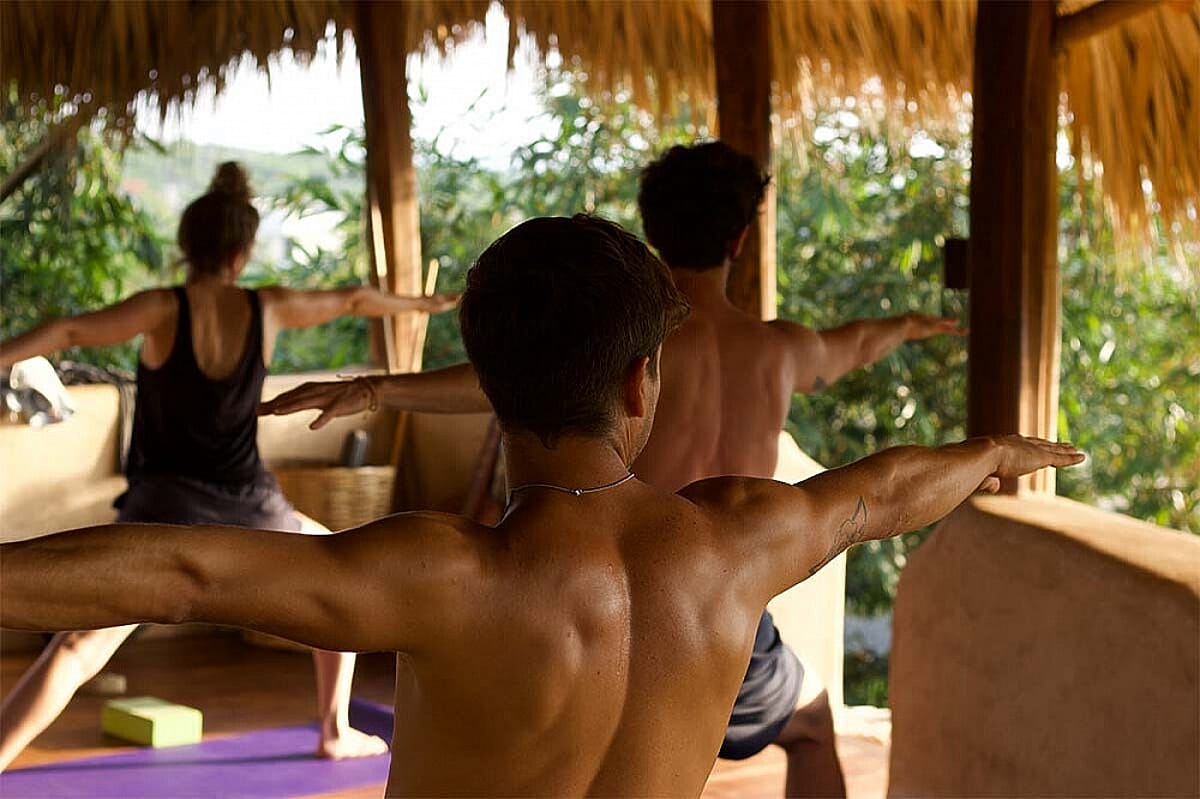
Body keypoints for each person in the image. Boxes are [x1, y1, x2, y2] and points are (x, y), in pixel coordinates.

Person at [2, 215, 1085, 796]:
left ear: (489, 393)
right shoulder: (740, 541)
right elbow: (887, 491)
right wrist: (990, 449)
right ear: (637, 385)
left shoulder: (442, 577)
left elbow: (182, 570)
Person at [261, 141, 967, 795]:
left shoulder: (631, 341)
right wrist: (906, 326)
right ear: (741, 240)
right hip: (717, 607)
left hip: (596, 594)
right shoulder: (778, 349)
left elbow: (513, 380)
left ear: (654, 233)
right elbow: (854, 348)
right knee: (813, 724)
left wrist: (383, 388)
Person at [0, 162, 457, 769]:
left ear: (187, 247)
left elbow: (69, 330)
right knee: (342, 573)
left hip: (162, 509)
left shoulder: (162, 308)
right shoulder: (266, 308)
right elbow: (352, 299)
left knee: (79, 647)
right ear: (241, 253)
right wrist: (421, 301)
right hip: (248, 506)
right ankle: (333, 730)